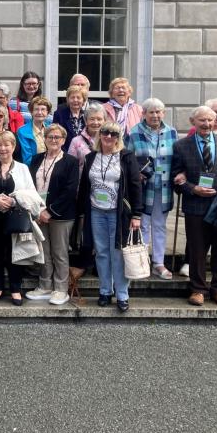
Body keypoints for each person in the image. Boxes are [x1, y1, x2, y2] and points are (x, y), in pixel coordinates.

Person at [172, 106, 217, 308]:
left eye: (211, 120)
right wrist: (193, 189)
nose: (207, 124)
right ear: (193, 121)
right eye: (202, 120)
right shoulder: (181, 146)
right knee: (197, 250)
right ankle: (198, 290)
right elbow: (176, 178)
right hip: (196, 206)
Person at [76, 121, 143, 312]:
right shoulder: (91, 157)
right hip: (96, 211)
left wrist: (137, 214)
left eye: (113, 134)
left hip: (118, 212)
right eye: (105, 133)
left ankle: (122, 294)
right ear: (100, 135)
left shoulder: (126, 157)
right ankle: (105, 291)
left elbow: (136, 186)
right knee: (102, 252)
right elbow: (84, 186)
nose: (109, 137)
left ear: (118, 137)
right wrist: (81, 211)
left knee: (118, 253)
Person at [26, 124, 80, 305]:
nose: (54, 140)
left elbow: (70, 190)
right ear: (45, 139)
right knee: (44, 252)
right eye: (50, 137)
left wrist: (50, 211)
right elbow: (30, 186)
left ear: (64, 140)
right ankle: (45, 285)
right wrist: (38, 210)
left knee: (59, 252)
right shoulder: (35, 159)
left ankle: (60, 289)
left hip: (61, 215)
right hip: (39, 212)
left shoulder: (70, 161)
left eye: (58, 137)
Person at [125, 98, 178, 280]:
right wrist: (135, 175)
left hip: (163, 187)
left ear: (163, 113)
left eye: (158, 112)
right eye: (151, 112)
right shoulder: (134, 133)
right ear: (144, 114)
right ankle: (142, 261)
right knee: (143, 225)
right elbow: (127, 159)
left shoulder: (171, 132)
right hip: (142, 188)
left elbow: (177, 159)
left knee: (160, 225)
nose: (155, 115)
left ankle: (158, 263)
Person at [0, 131, 35, 305]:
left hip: (15, 217)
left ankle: (15, 289)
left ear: (13, 147)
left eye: (7, 145)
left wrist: (13, 200)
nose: (3, 148)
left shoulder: (22, 168)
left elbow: (31, 193)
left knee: (15, 253)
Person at [68, 103, 107, 174]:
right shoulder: (76, 141)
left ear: (104, 121)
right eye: (92, 119)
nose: (96, 122)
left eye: (99, 119)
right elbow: (70, 167)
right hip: (83, 183)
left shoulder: (110, 140)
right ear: (86, 121)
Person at [16, 96, 53, 165]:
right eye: (36, 109)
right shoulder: (22, 131)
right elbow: (27, 159)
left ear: (47, 112)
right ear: (31, 112)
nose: (39, 112)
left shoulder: (51, 129)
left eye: (43, 109)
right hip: (32, 169)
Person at [52, 85, 87, 152]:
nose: (75, 100)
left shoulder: (87, 116)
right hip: (65, 154)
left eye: (78, 98)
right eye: (72, 97)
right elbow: (56, 136)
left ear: (83, 100)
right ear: (68, 99)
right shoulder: (59, 115)